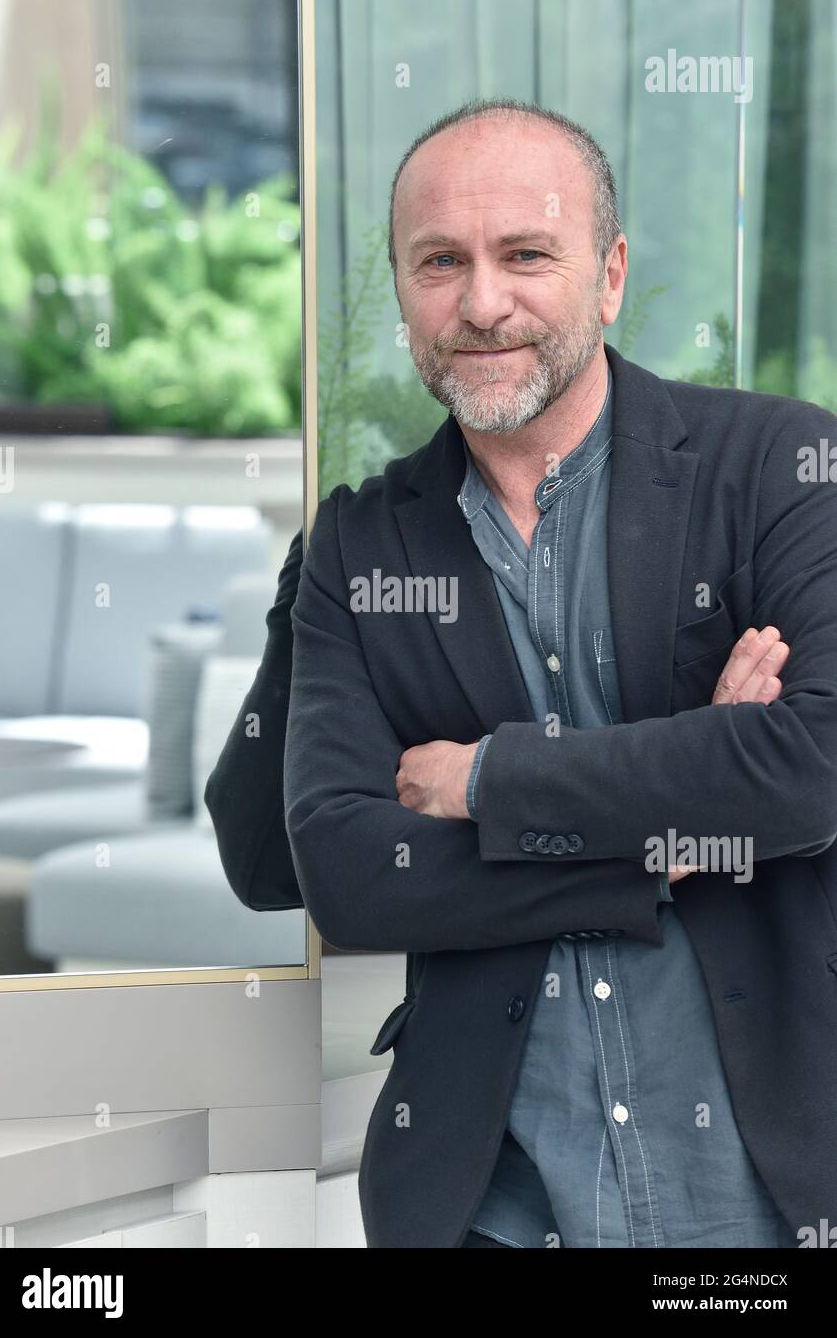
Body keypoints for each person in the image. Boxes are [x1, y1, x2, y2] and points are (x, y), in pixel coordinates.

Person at [212, 98, 837, 1248]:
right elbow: (343, 870)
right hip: (496, 1213)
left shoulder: (775, 468)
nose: (481, 303)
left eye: (525, 255)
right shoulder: (362, 547)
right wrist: (664, 849)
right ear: (400, 288)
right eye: (439, 261)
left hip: (765, 1203)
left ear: (607, 277)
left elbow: (809, 772)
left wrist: (491, 782)